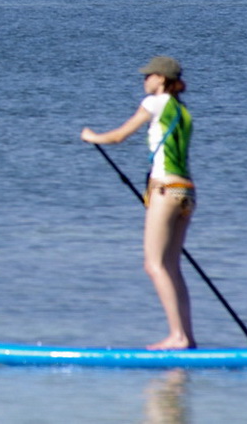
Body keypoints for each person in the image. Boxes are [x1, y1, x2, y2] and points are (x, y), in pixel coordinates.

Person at [80, 55, 195, 350]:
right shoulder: (182, 110)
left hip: (165, 190)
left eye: (148, 76)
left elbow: (118, 137)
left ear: (161, 79)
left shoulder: (155, 103)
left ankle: (177, 337)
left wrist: (91, 136)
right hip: (187, 191)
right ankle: (187, 338)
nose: (144, 80)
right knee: (172, 266)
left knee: (153, 264)